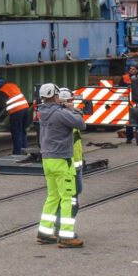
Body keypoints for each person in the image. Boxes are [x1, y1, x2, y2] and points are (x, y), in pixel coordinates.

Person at [36, 82, 85, 248]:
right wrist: (71, 109)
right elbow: (81, 124)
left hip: (47, 160)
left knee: (53, 196)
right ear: (55, 96)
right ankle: (66, 236)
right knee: (67, 198)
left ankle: (44, 232)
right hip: (62, 160)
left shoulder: (42, 112)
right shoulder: (60, 113)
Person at [58, 87, 84, 219]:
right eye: (70, 101)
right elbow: (80, 124)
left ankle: (70, 213)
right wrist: (73, 112)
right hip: (68, 164)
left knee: (77, 191)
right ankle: (64, 220)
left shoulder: (70, 115)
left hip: (76, 163)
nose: (72, 104)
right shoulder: (64, 116)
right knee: (68, 194)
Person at [0, 79, 30, 155]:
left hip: (16, 111)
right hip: (26, 109)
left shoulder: (2, 90)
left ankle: (17, 153)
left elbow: (1, 104)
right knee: (23, 130)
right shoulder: (13, 85)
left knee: (16, 132)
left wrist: (3, 114)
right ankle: (24, 151)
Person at [123, 65, 138, 145]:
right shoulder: (124, 77)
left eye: (133, 69)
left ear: (137, 70)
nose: (131, 70)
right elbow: (120, 87)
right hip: (128, 101)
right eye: (130, 69)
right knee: (129, 121)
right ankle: (129, 138)